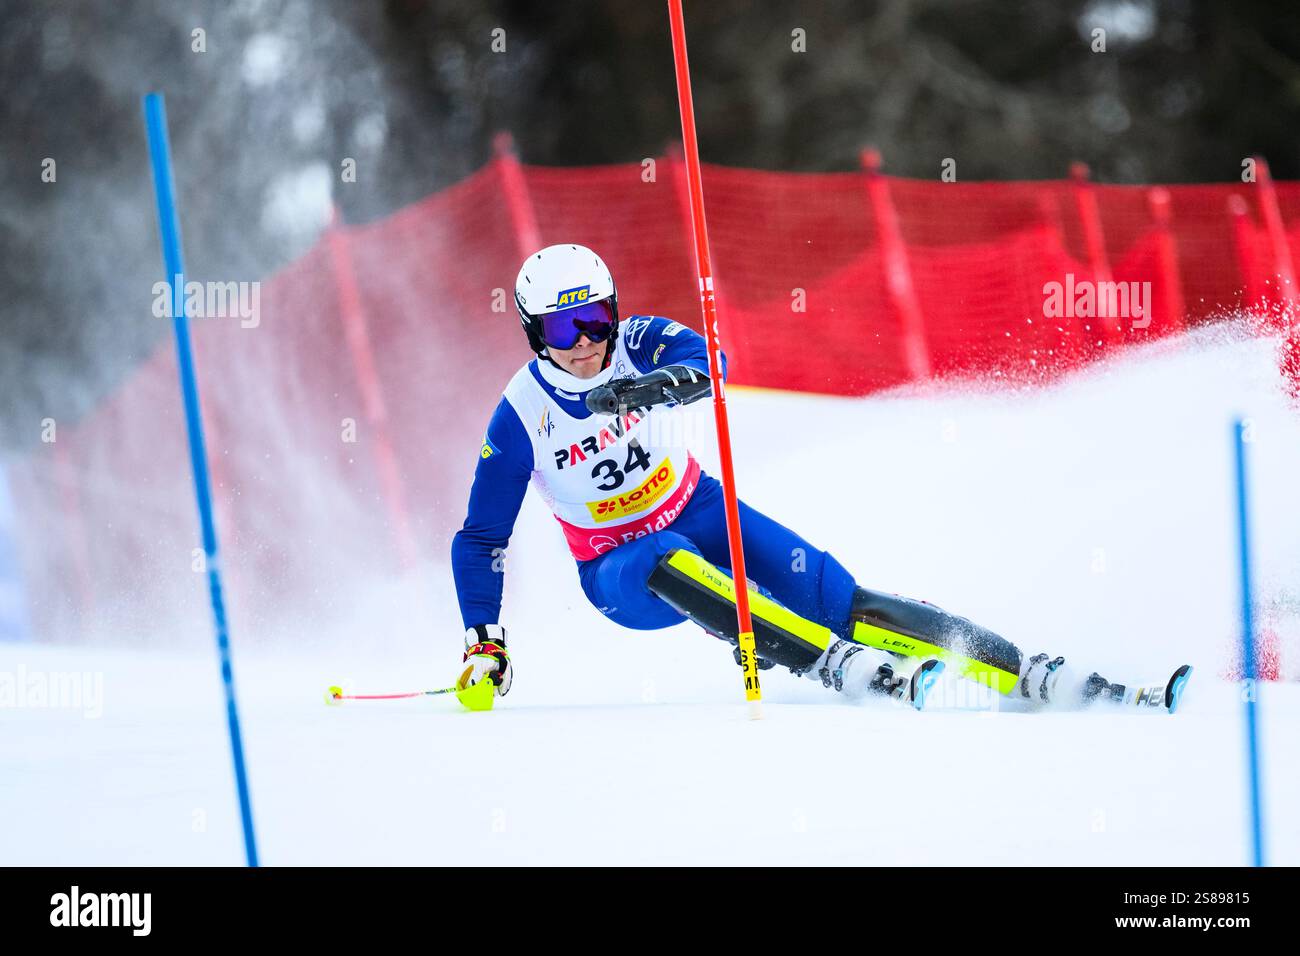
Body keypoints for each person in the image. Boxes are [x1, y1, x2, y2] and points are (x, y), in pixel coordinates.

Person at [450, 244, 1187, 712]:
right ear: (531, 332)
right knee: (658, 559)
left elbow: (715, 363)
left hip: (699, 509)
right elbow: (482, 535)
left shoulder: (637, 342)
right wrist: (485, 637)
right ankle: (835, 665)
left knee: (837, 593)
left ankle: (1022, 670)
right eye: (561, 330)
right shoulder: (519, 416)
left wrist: (651, 389)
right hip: (620, 572)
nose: (586, 344)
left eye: (597, 320)